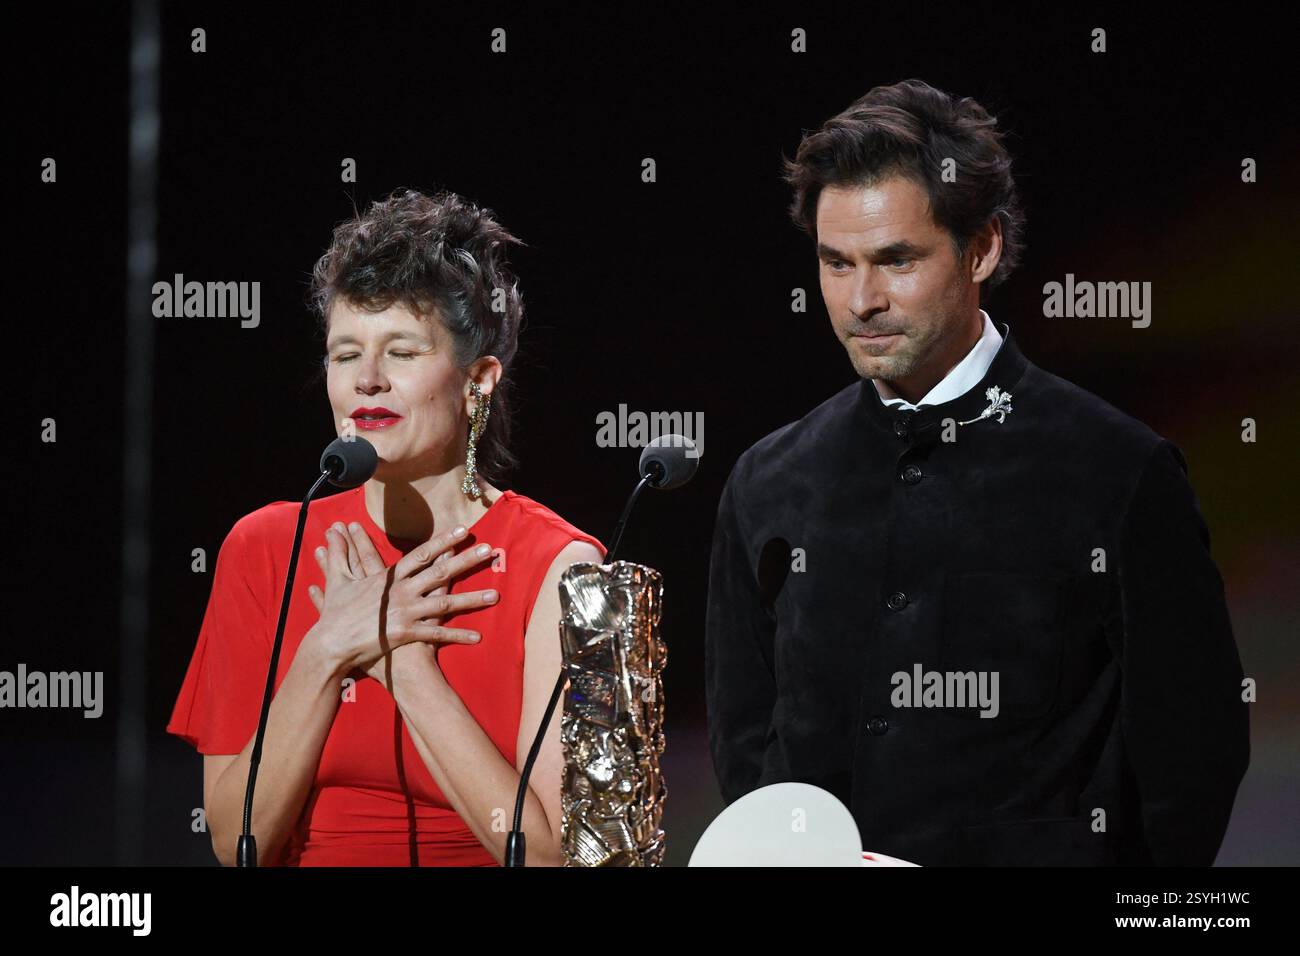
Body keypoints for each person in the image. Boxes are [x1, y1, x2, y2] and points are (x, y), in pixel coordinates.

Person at [704, 79, 1249, 865]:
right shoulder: (767, 481)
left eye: (896, 260)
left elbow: (1192, 758)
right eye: (835, 263)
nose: (861, 299)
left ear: (982, 247)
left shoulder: (1118, 469)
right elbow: (748, 746)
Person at [167, 188, 605, 866]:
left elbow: (548, 855)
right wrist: (327, 648)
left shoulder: (557, 565)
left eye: (401, 351)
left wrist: (402, 663)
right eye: (346, 355)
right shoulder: (263, 548)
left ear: (478, 381)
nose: (367, 380)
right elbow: (235, 841)